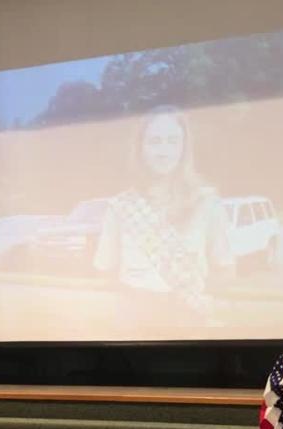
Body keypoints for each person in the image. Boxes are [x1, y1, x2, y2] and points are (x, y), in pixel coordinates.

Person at [92, 105, 234, 330]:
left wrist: (202, 302)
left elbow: (225, 268)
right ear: (141, 147)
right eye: (154, 141)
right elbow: (105, 270)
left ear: (184, 148)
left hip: (189, 322)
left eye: (173, 141)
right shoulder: (120, 207)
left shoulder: (207, 202)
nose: (163, 151)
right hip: (132, 325)